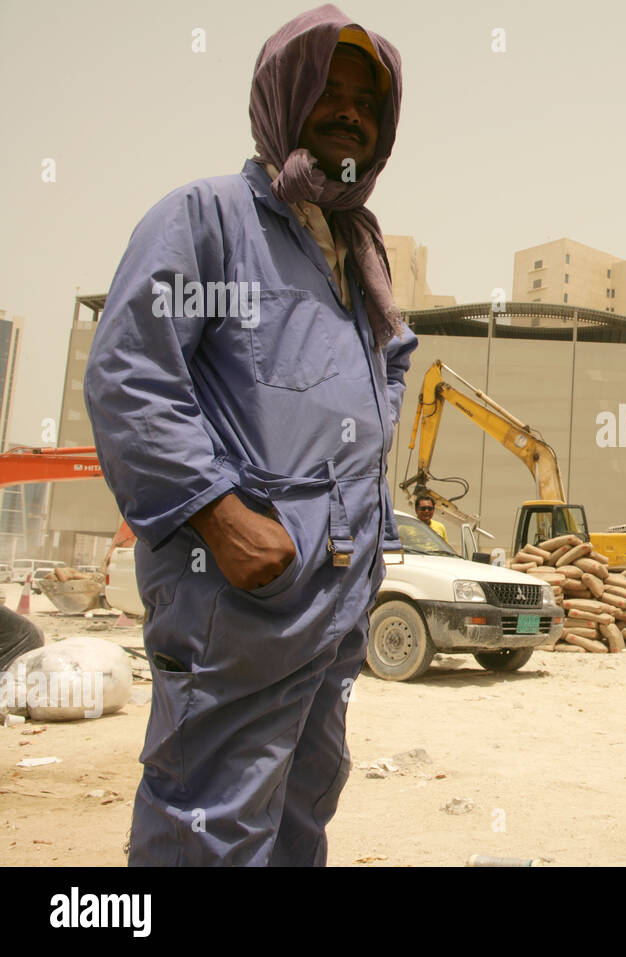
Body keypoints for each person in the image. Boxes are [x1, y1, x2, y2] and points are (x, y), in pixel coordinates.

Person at [83, 4, 417, 866]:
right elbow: (130, 375)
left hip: (333, 601)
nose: (350, 110)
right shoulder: (208, 218)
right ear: (282, 98)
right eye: (328, 90)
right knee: (212, 821)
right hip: (239, 595)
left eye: (366, 101)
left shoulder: (353, 258)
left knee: (303, 808)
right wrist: (219, 516)